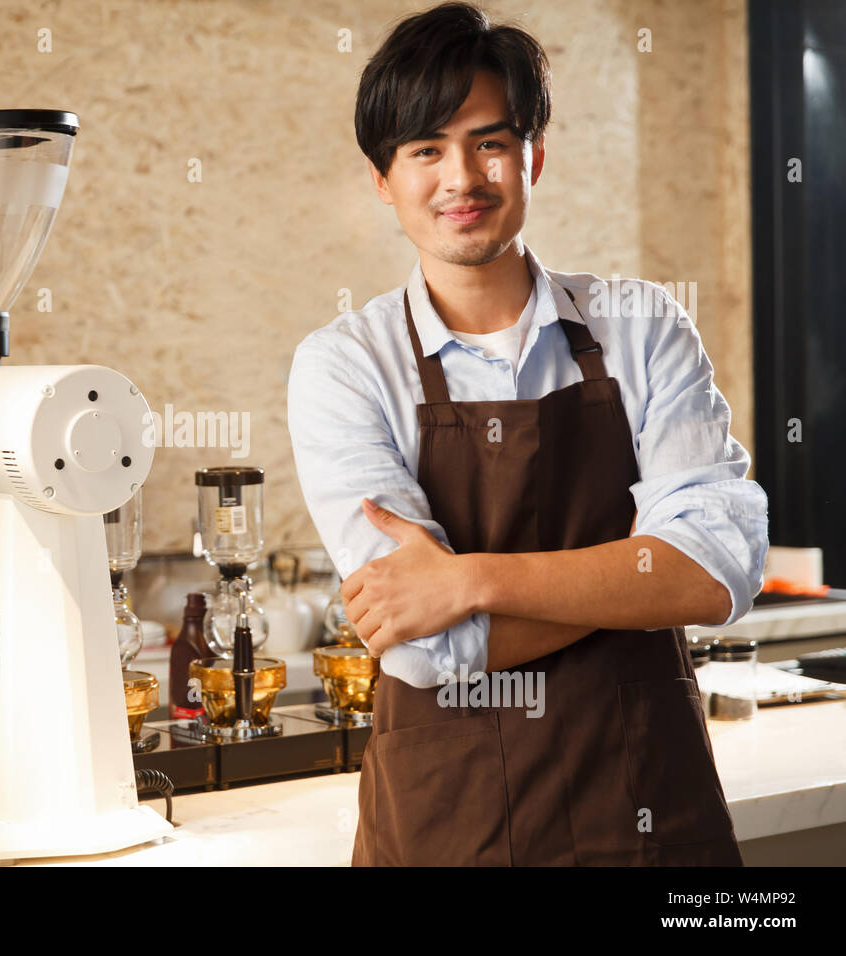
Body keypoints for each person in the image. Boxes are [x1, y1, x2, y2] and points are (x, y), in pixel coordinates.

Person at [287, 2, 768, 866]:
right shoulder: (343, 365)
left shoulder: (643, 324)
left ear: (534, 156)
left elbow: (717, 567)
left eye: (490, 142)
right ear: (381, 178)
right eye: (425, 149)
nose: (460, 178)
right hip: (449, 827)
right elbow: (428, 646)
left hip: (648, 817)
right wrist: (628, 582)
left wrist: (468, 581)